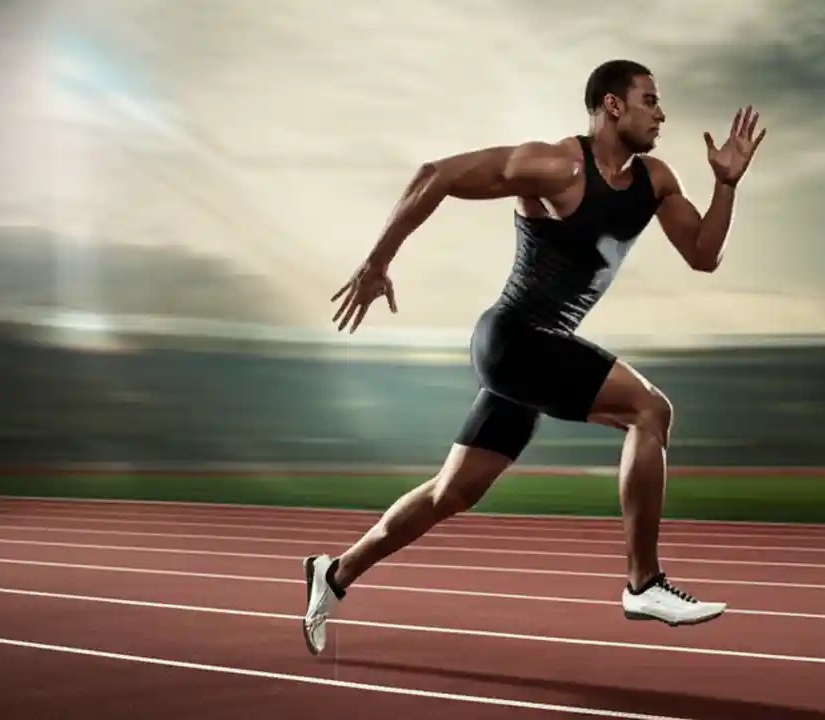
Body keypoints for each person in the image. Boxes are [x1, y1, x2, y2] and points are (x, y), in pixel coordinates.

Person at [302, 59, 766, 655]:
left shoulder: (656, 181)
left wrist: (726, 184)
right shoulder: (555, 165)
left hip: (536, 355)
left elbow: (702, 254)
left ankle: (334, 572)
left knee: (452, 494)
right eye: (650, 100)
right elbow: (435, 174)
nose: (662, 112)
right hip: (513, 338)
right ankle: (642, 582)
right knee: (649, 410)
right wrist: (376, 263)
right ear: (612, 106)